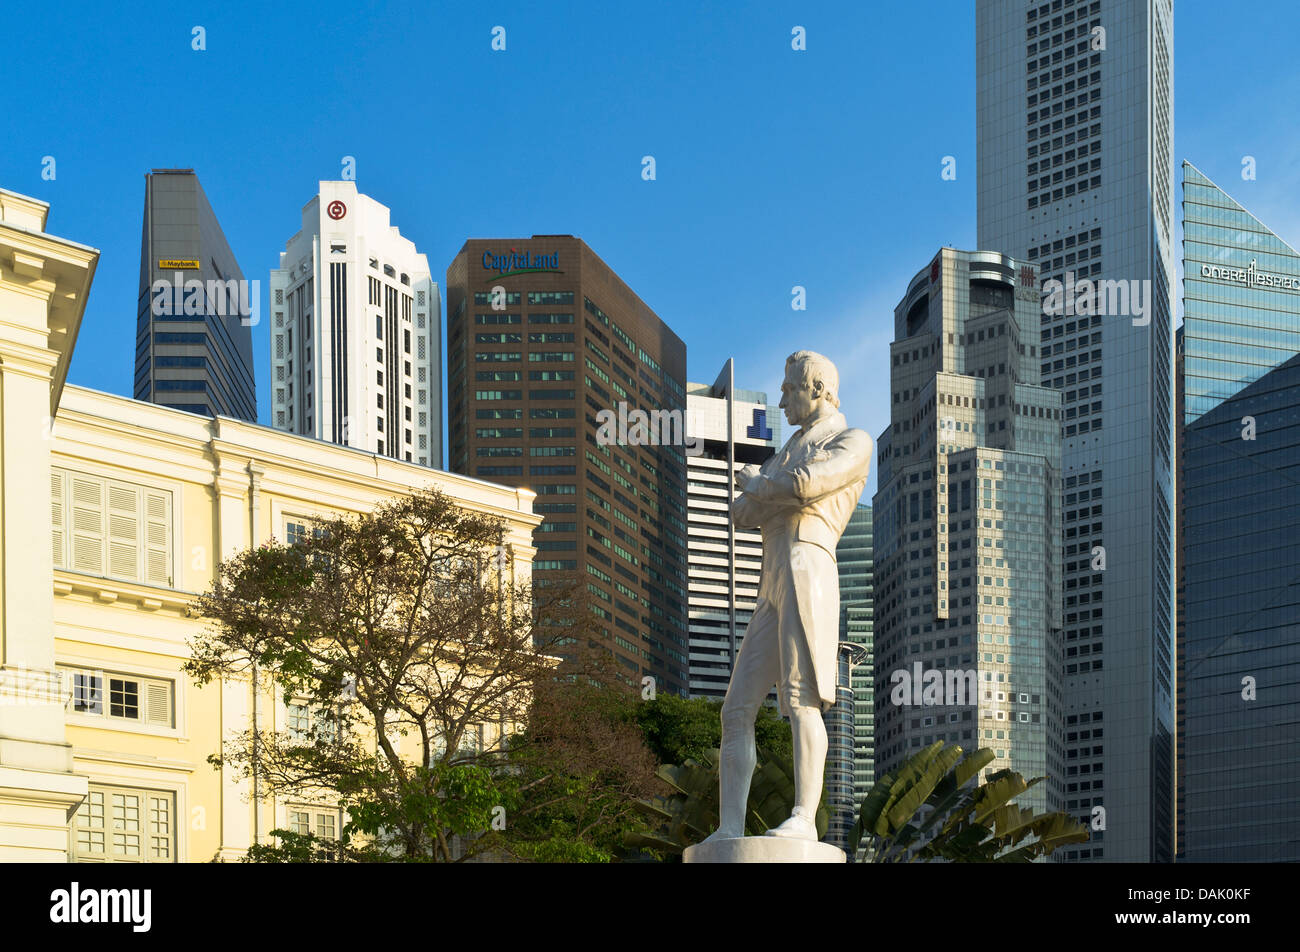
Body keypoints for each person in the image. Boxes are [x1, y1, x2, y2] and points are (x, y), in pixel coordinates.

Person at [702, 350, 872, 843]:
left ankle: (803, 816)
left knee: (802, 700)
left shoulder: (851, 439)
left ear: (816, 388)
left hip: (809, 564)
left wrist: (761, 486)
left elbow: (807, 484)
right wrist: (763, 487)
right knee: (736, 709)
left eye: (788, 388)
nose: (781, 399)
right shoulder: (782, 454)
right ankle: (729, 826)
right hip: (771, 578)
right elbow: (741, 514)